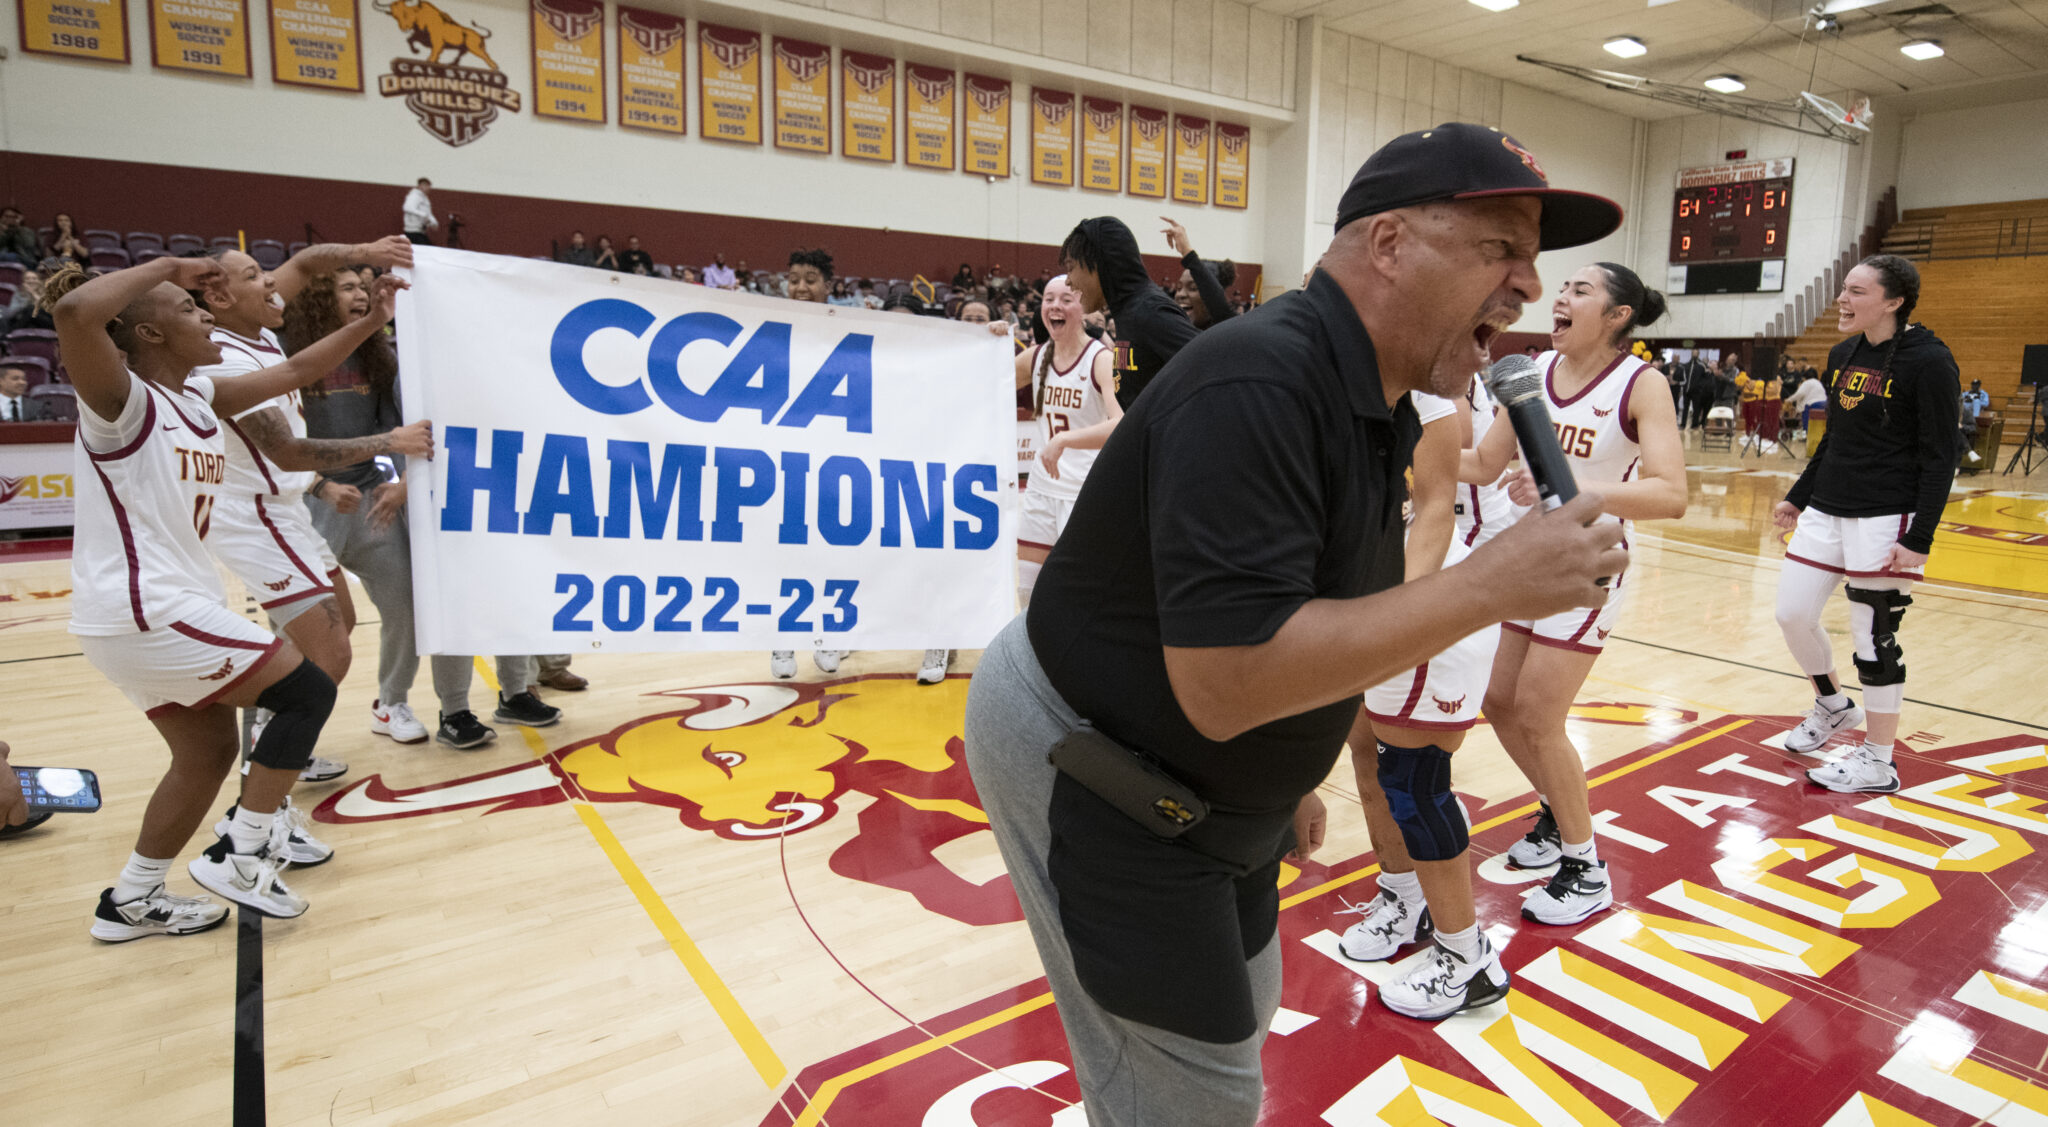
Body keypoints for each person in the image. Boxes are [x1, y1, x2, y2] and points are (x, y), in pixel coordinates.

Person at [964, 123, 1627, 1126]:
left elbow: (1299, 604)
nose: (1529, 286)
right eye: (1501, 250)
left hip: (1197, 778)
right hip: (1094, 767)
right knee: (1186, 1087)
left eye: (1534, 262)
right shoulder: (1260, 382)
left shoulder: (1376, 401)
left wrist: (1286, 779)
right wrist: (1490, 583)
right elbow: (1228, 680)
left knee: (1245, 1010)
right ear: (1390, 244)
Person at [47, 256, 404, 935]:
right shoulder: (122, 405)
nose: (206, 314)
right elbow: (73, 316)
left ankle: (131, 897)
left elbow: (298, 372)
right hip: (146, 607)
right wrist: (173, 266)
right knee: (306, 689)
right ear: (148, 335)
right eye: (187, 310)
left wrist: (373, 321)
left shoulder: (199, 396)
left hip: (154, 610)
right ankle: (244, 846)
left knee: (207, 753)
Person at [1465, 261, 1686, 928]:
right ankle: (1557, 816)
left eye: (1580, 291)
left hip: (1590, 561)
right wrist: (1415, 442)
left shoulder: (1640, 384)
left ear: (1617, 315)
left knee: (1537, 713)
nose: (1560, 297)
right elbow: (1483, 463)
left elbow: (1670, 493)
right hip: (1527, 557)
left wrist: (1577, 493)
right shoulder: (1530, 370)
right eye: (1562, 289)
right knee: (1498, 700)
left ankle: (1587, 867)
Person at [283, 266, 529, 748]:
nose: (359, 295)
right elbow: (271, 444)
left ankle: (390, 701)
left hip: (369, 497)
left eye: (362, 287)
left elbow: (400, 433)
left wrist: (405, 485)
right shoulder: (287, 356)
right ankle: (283, 732)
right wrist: (316, 485)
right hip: (303, 502)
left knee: (407, 610)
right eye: (347, 287)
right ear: (316, 299)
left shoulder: (377, 358)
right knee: (302, 626)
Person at [1333, 387, 1511, 1019]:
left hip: (1419, 601)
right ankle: (1403, 896)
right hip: (1362, 600)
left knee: (1416, 784)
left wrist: (1400, 618)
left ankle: (1468, 959)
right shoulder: (1315, 385)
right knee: (1367, 761)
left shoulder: (1429, 400)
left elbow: (1436, 508)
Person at [1772, 255, 1960, 793]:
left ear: (1893, 302)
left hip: (1886, 515)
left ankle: (1878, 759)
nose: (1842, 299)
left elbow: (1940, 456)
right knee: (1792, 613)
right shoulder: (1842, 353)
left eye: (1856, 291)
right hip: (1828, 507)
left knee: (1873, 639)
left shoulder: (1930, 362)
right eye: (1843, 289)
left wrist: (1918, 538)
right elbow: (1836, 439)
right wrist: (1798, 497)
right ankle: (1832, 705)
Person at [1013, 274, 1120, 609]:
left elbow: (1122, 424)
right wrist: (991, 339)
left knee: (1081, 593)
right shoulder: (1037, 356)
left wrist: (1067, 440)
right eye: (1048, 299)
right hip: (1042, 490)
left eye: (1065, 299)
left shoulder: (1102, 359)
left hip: (1083, 492)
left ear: (1084, 308)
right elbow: (984, 375)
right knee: (1028, 588)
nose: (1055, 306)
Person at [1058, 216, 1198, 409]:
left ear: (1099, 263)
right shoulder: (1128, 312)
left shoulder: (1150, 312)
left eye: (1071, 267)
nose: (1068, 280)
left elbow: (1213, 369)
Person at [1160, 217, 1237, 330]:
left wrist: (1186, 251)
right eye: (1178, 288)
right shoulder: (1176, 332)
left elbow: (1217, 302)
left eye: (1193, 288)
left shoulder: (1229, 327)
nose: (1180, 294)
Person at [402, 178, 437, 245]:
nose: (428, 188)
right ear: (420, 186)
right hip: (412, 231)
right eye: (426, 185)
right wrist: (423, 215)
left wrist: (433, 222)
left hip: (420, 231)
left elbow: (428, 213)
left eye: (429, 186)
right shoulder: (414, 196)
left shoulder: (424, 198)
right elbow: (407, 207)